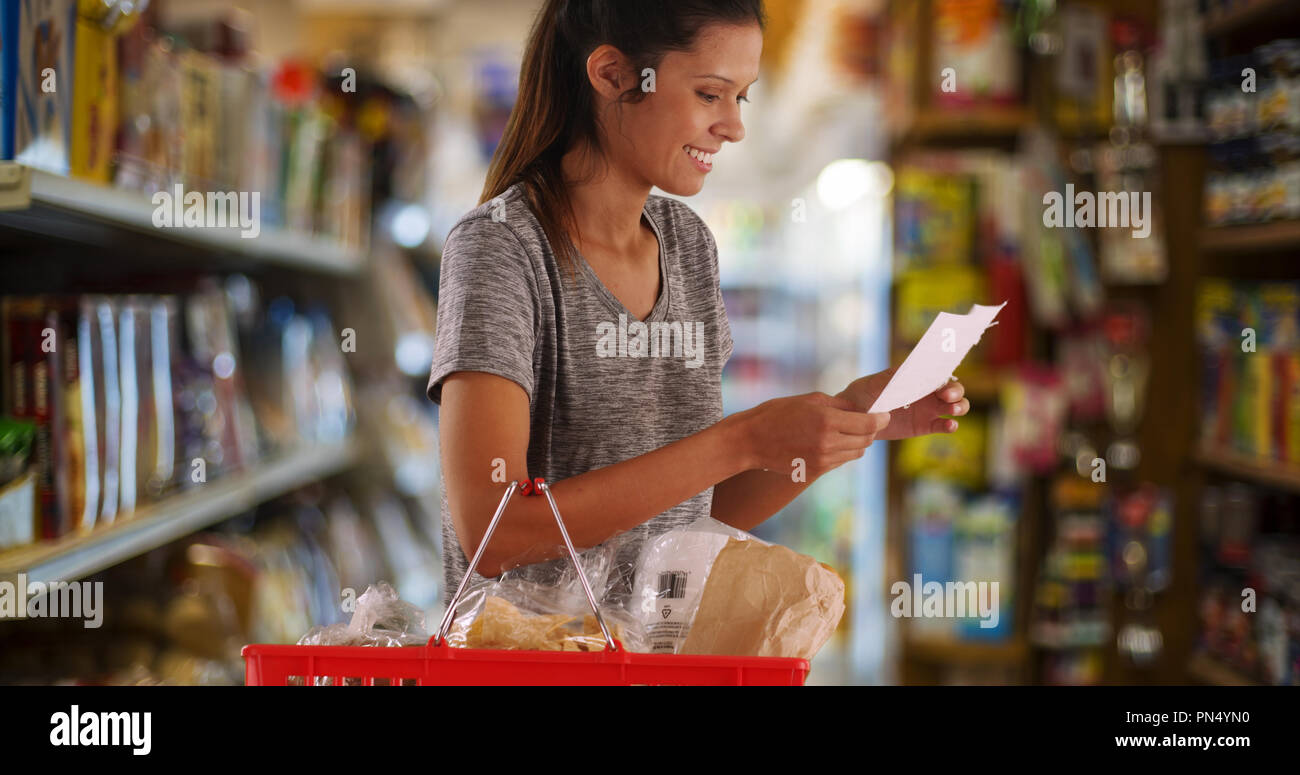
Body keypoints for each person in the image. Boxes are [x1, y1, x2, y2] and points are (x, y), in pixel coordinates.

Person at [428, 0, 969, 608]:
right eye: (711, 94)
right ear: (611, 75)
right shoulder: (501, 246)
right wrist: (740, 439)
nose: (734, 126)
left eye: (742, 97)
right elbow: (494, 532)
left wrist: (839, 423)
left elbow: (691, 515)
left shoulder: (687, 245)